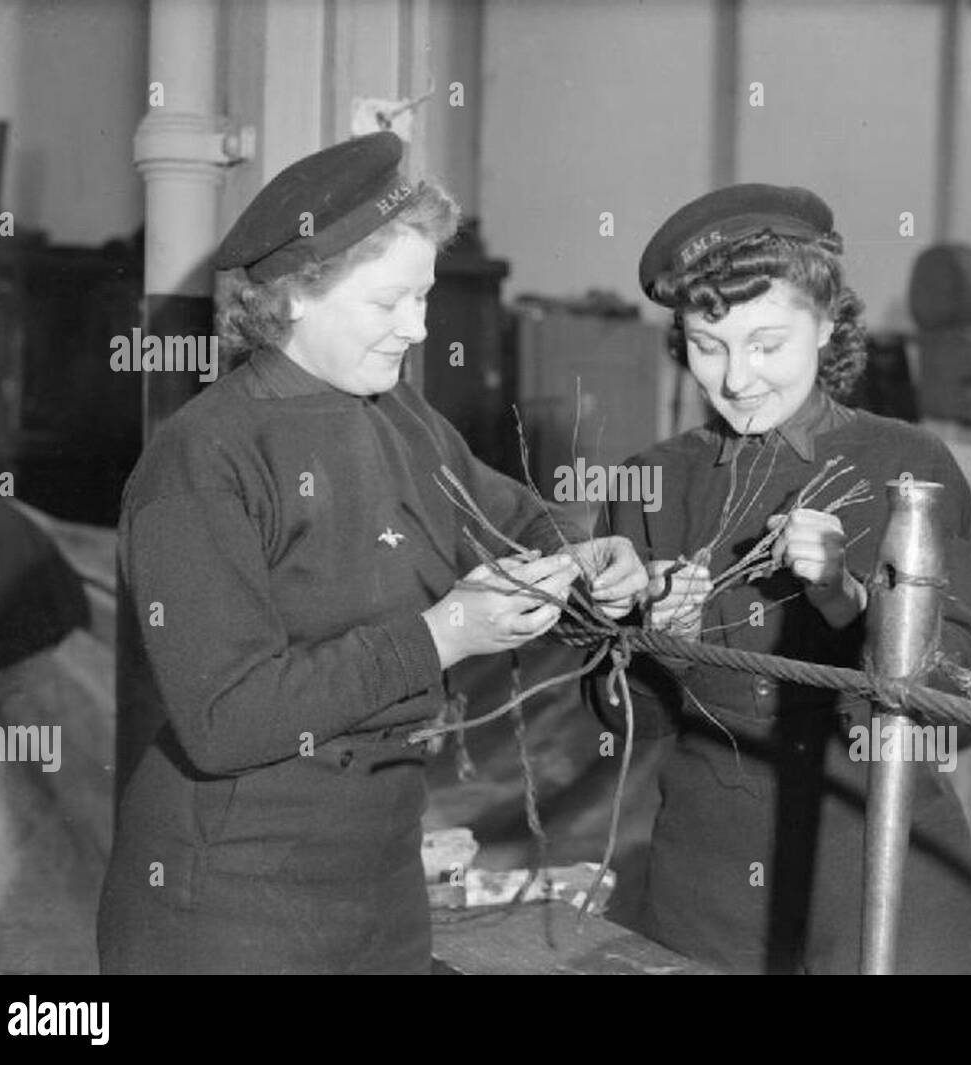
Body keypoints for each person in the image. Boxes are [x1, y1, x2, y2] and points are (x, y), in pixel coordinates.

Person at [96, 132, 647, 974]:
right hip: (229, 908)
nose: (418, 328)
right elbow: (225, 719)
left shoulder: (398, 414)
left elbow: (515, 516)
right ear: (296, 298)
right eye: (389, 302)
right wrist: (439, 636)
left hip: (379, 892)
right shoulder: (201, 460)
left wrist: (586, 562)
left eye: (423, 298)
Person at [588, 184, 971, 974]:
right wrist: (660, 641)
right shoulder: (651, 482)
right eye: (709, 345)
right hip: (708, 885)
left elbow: (966, 698)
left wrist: (852, 601)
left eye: (767, 343)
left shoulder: (912, 467)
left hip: (882, 855)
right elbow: (615, 718)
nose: (737, 378)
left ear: (829, 322)